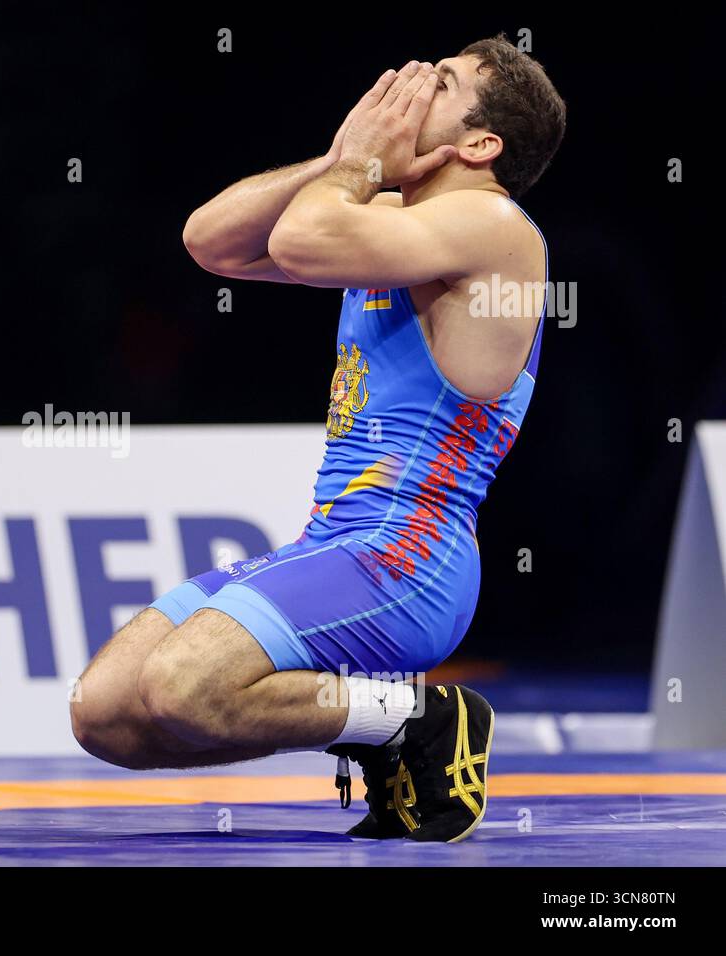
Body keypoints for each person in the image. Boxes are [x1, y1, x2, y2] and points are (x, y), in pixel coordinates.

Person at [69, 36, 566, 842]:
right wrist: (345, 157)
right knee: (108, 714)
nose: (402, 88)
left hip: (410, 559)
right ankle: (388, 725)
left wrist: (360, 163)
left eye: (436, 83)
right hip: (336, 544)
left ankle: (417, 721)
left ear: (480, 144)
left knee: (183, 687)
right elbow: (210, 241)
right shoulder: (390, 220)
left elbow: (300, 241)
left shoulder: (494, 225)